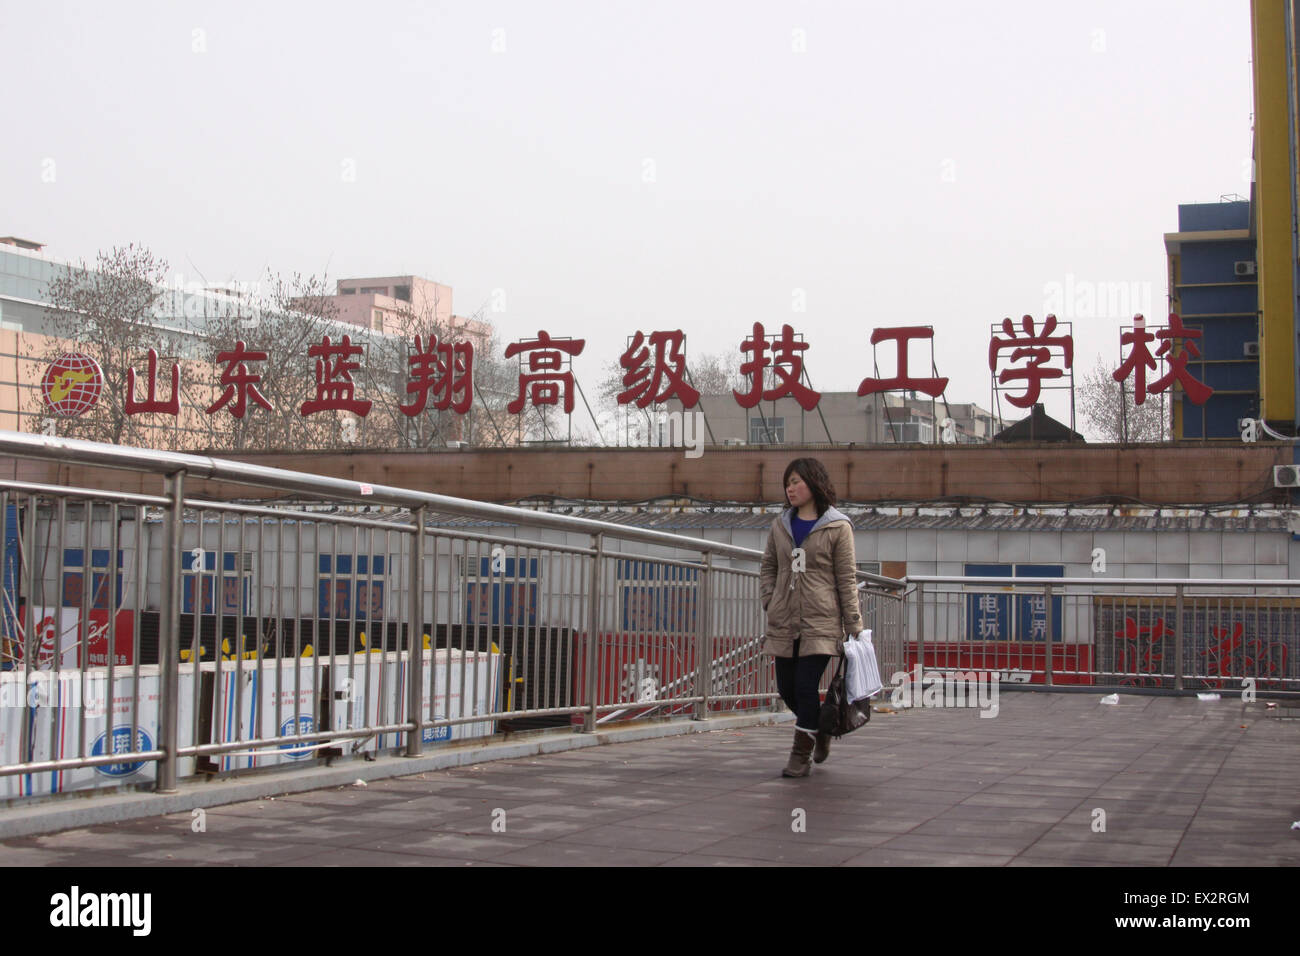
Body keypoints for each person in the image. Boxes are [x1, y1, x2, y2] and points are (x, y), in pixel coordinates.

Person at [759, 457, 863, 777]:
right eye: (787, 483)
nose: (791, 488)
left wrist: (854, 624)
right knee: (786, 689)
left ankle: (799, 755)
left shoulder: (837, 526)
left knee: (805, 686)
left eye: (797, 482)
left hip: (821, 620)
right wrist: (770, 600)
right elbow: (769, 567)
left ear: (814, 483)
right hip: (784, 621)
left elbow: (846, 577)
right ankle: (820, 729)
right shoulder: (781, 525)